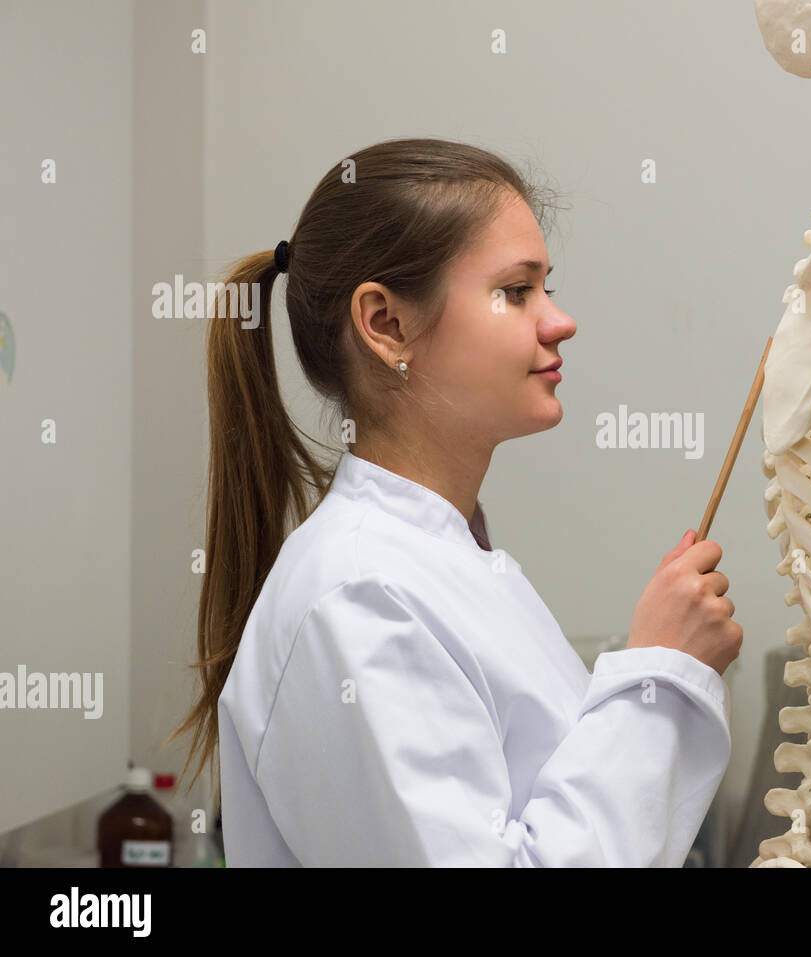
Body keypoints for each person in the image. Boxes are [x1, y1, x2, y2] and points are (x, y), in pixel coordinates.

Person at [168, 138, 742, 866]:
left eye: (548, 287)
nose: (559, 321)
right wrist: (660, 670)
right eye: (516, 291)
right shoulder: (356, 598)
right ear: (385, 324)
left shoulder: (449, 566)